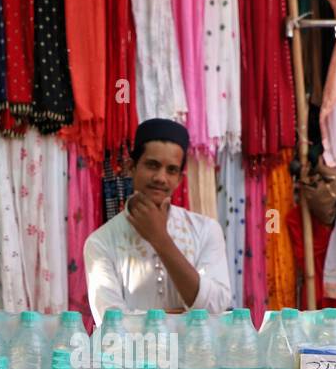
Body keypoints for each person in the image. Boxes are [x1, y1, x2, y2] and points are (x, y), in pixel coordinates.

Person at [84, 119, 232, 325]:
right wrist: (181, 318)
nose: (161, 178)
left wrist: (160, 240)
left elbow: (216, 308)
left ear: (180, 179)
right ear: (131, 167)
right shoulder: (100, 242)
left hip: (195, 357)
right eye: (152, 165)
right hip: (134, 358)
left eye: (171, 170)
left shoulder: (206, 230)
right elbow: (112, 324)